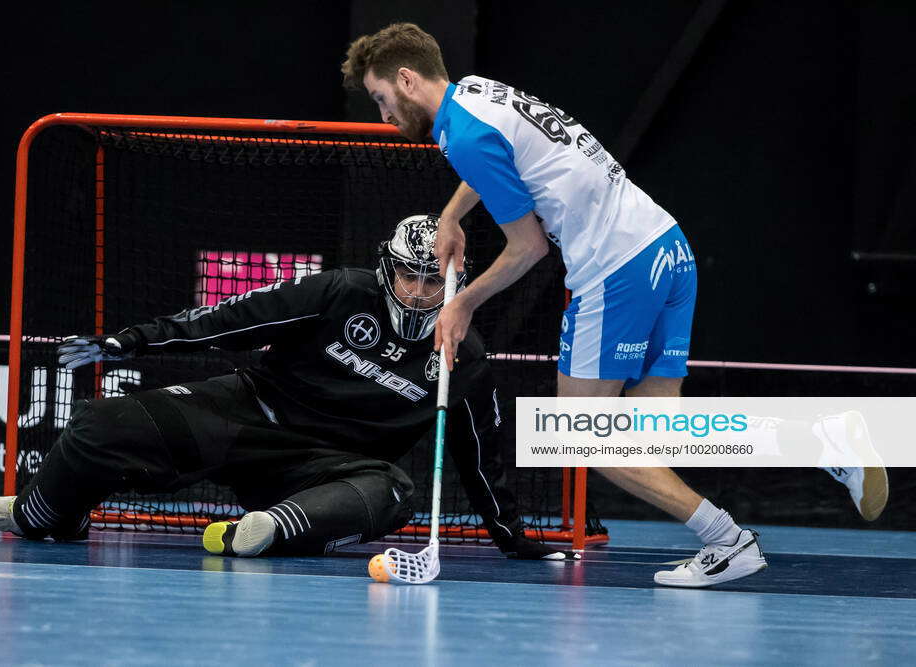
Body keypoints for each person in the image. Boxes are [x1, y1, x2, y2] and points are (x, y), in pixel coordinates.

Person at [341, 23, 889, 587]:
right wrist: (453, 215)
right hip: (666, 247)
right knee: (654, 427)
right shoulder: (480, 92)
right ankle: (816, 441)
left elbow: (528, 246)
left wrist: (463, 305)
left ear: (407, 79)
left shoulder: (463, 136)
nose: (383, 114)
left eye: (381, 98)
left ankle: (728, 539)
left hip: (615, 270)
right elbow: (508, 159)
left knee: (584, 436)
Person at [0, 215, 576, 562]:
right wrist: (129, 342)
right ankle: (41, 512)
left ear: (456, 281)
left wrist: (516, 540)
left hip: (326, 468)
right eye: (409, 278)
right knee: (95, 427)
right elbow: (228, 322)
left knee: (396, 490)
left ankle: (269, 529)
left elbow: (481, 461)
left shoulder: (465, 357)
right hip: (245, 413)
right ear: (387, 270)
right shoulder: (339, 292)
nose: (419, 293)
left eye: (433, 281)